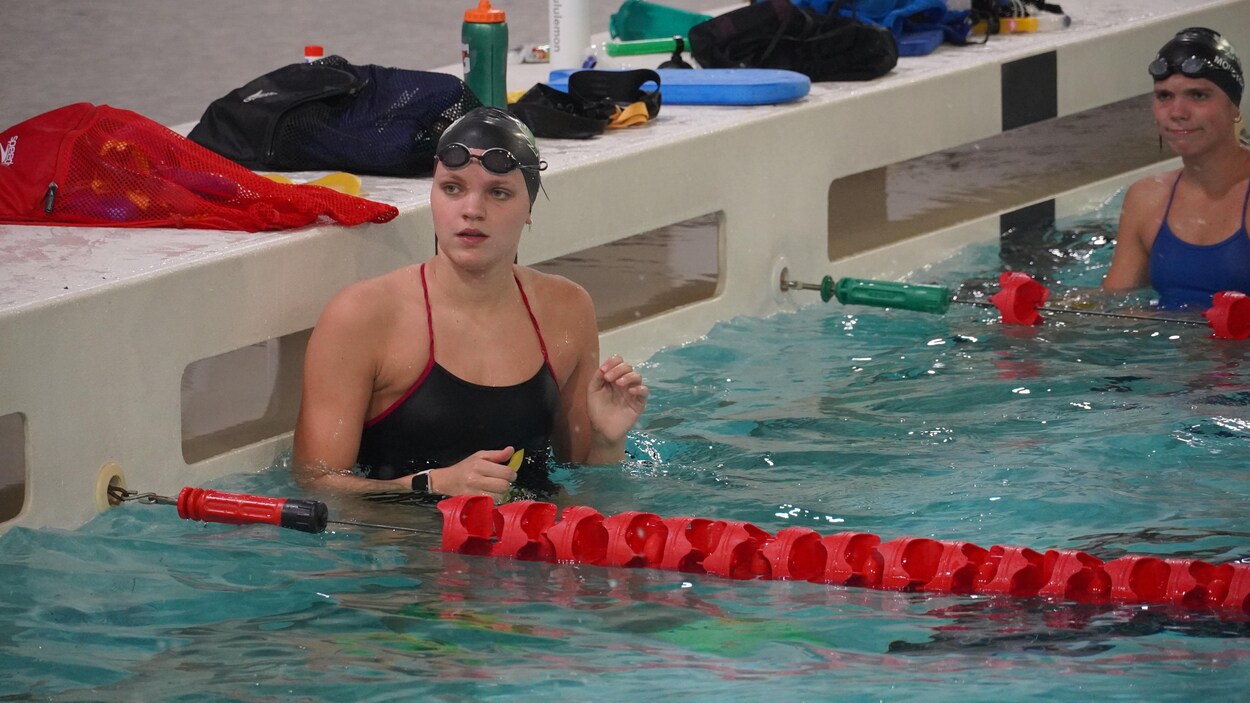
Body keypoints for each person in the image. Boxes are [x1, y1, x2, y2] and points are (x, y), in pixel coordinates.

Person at [292, 106, 648, 502]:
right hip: (403, 536)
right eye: (452, 188)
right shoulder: (363, 316)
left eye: (498, 193)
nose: (472, 210)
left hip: (537, 532)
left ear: (529, 209)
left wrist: (606, 441)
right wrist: (431, 485)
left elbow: (584, 478)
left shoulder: (566, 308)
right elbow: (316, 483)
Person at [1102, 27, 1250, 310]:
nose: (1177, 112)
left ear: (1234, 106)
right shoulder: (1146, 198)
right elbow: (1115, 308)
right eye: (1164, 96)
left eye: (1198, 95)